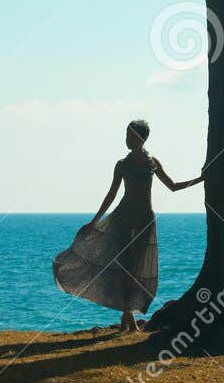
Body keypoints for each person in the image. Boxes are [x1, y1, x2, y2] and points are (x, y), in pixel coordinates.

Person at [52, 119, 202, 332]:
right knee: (125, 268)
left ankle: (127, 317)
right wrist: (94, 221)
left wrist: (201, 178)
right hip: (122, 217)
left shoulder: (153, 162)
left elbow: (173, 186)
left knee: (137, 269)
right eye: (126, 135)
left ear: (142, 138)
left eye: (131, 136)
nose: (127, 139)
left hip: (144, 219)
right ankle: (129, 318)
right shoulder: (122, 164)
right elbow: (112, 194)